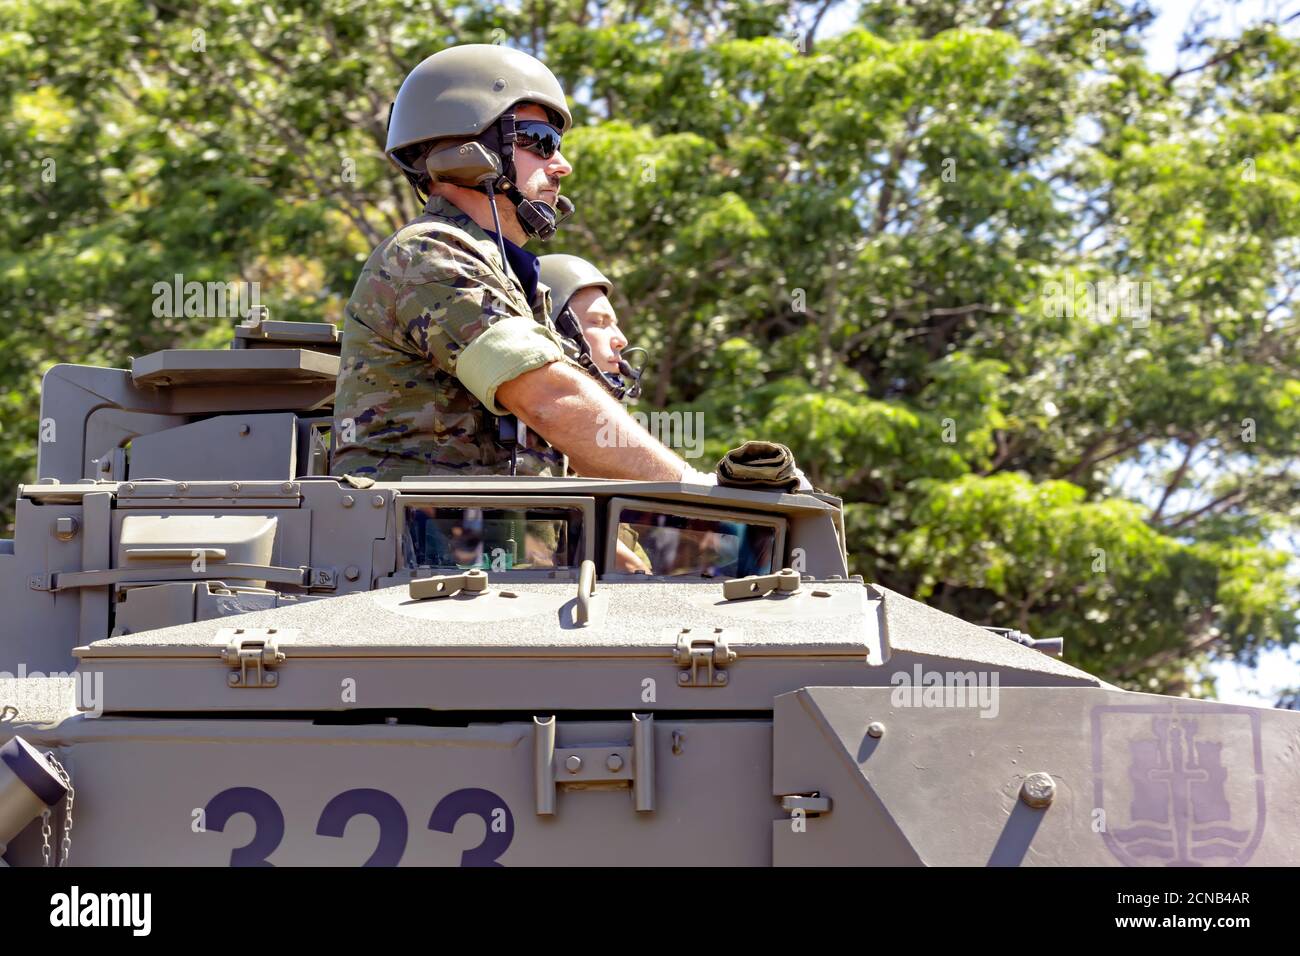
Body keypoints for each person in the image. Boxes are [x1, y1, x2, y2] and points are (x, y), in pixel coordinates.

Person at [331, 44, 712, 485]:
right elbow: (549, 400)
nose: (562, 166)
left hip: (475, 542)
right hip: (415, 545)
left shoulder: (511, 278)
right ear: (473, 151)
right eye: (542, 142)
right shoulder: (429, 253)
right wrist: (694, 485)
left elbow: (578, 449)